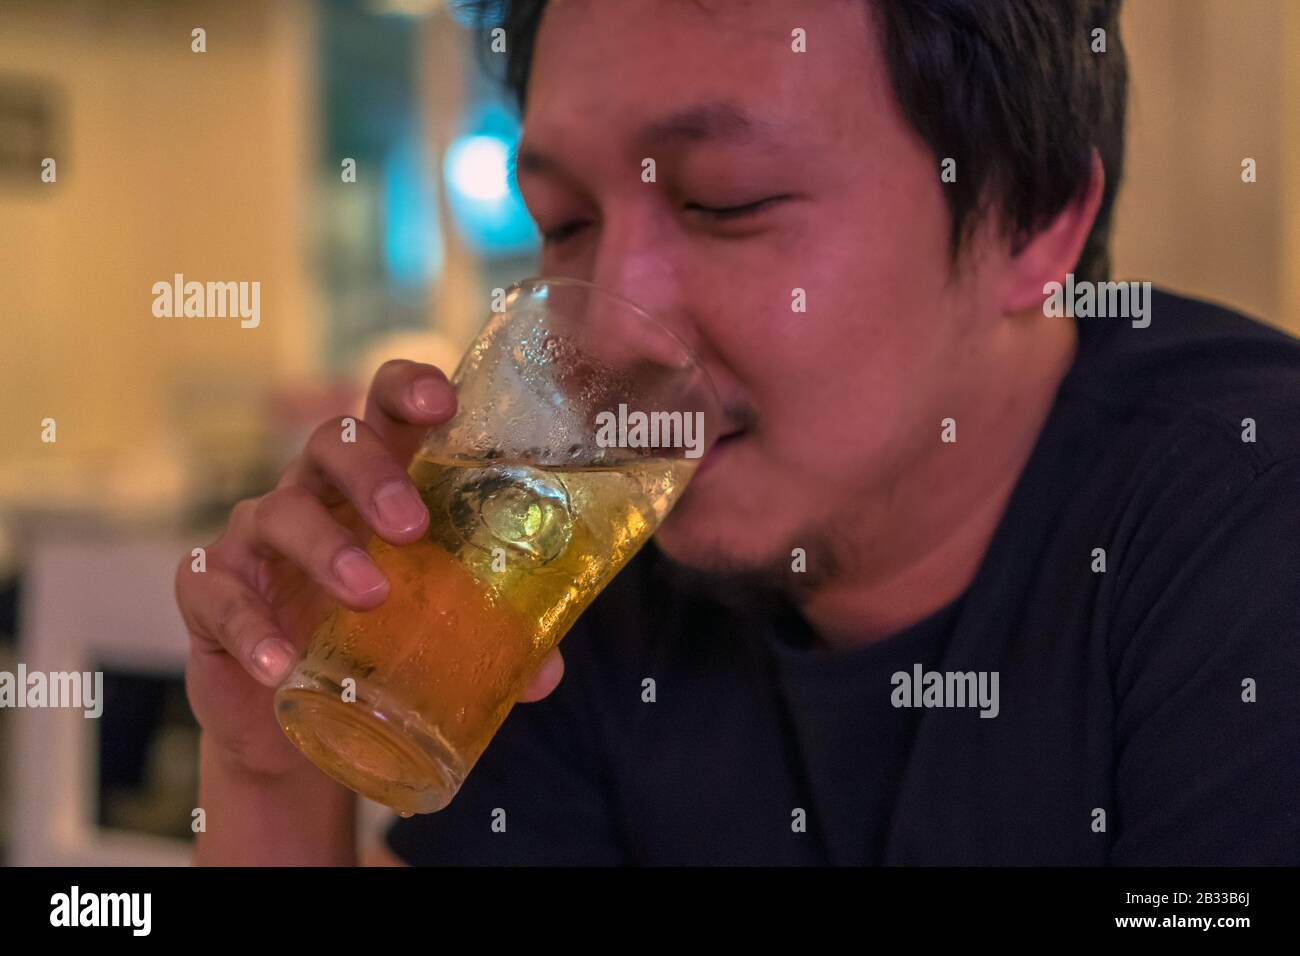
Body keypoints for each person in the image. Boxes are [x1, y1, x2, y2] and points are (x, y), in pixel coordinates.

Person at [177, 0, 1300, 865]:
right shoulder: (582, 568)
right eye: (564, 222)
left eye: (724, 199)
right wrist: (272, 769)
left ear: (1038, 220)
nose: (620, 319)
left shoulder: (1246, 529)